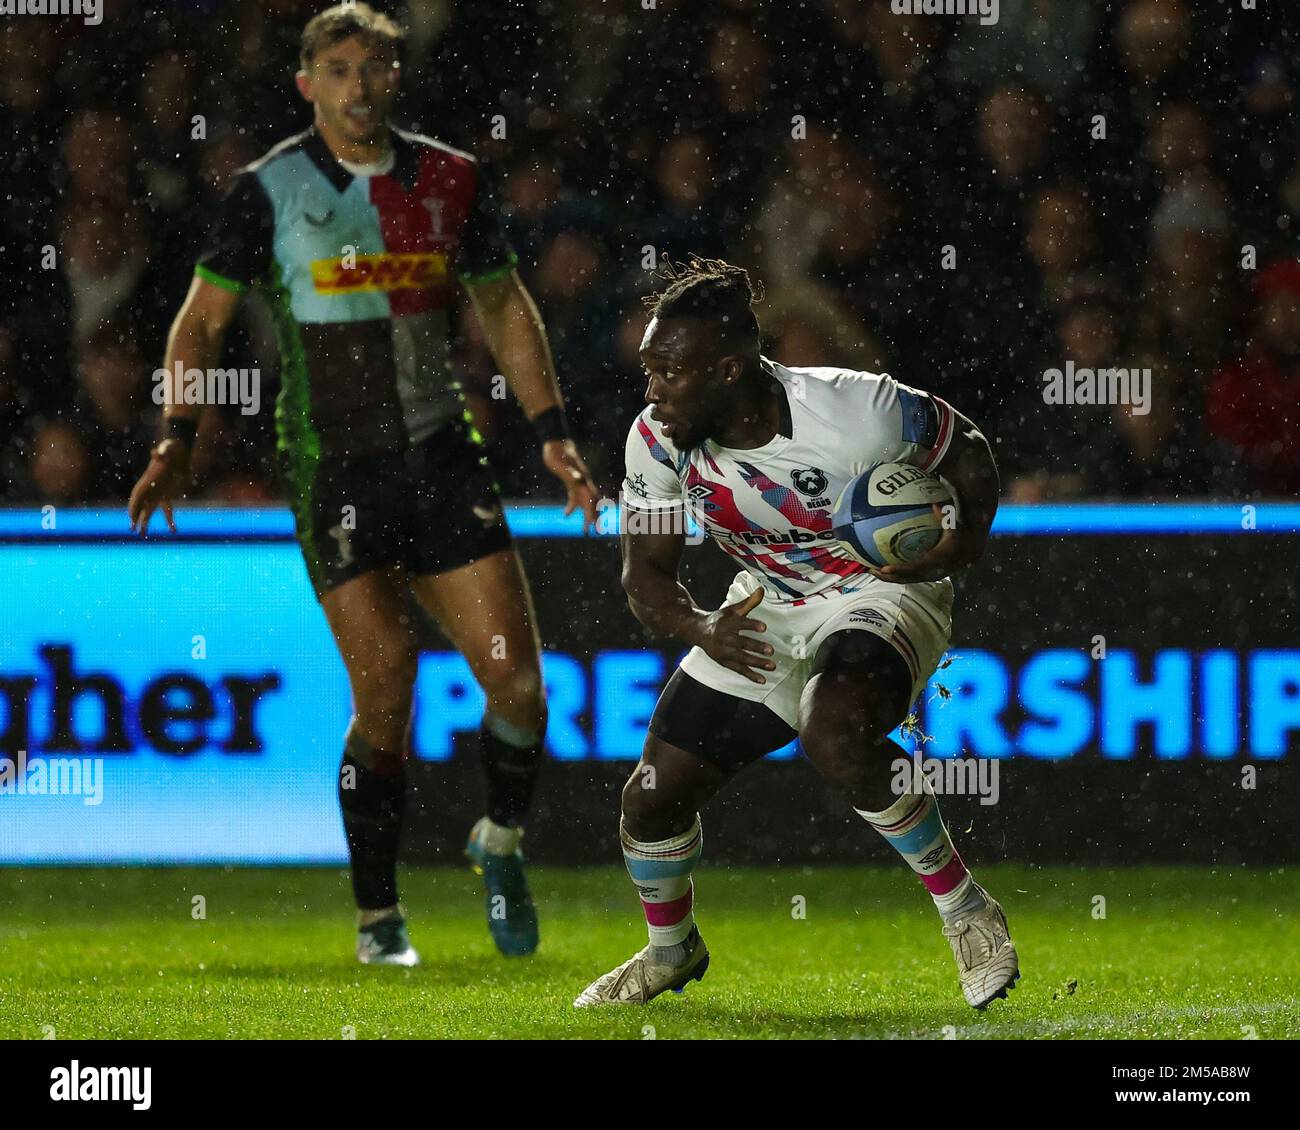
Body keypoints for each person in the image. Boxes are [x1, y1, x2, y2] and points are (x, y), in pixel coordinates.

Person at [127, 3, 598, 966]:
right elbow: (197, 324)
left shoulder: (453, 179)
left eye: (374, 68)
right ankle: (379, 918)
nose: (358, 87)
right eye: (337, 70)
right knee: (385, 689)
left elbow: (504, 307)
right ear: (307, 83)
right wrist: (177, 437)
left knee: (518, 685)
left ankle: (499, 843)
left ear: (396, 78)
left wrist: (553, 436)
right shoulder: (267, 191)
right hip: (334, 469)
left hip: (441, 459)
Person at [575, 258, 1017, 1009]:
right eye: (649, 370)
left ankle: (966, 910)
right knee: (650, 800)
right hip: (762, 608)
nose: (652, 392)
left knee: (833, 734)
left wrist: (962, 545)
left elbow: (966, 446)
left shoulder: (858, 411)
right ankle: (669, 950)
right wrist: (698, 625)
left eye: (670, 372)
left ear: (728, 368)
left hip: (879, 591)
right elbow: (645, 576)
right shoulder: (655, 440)